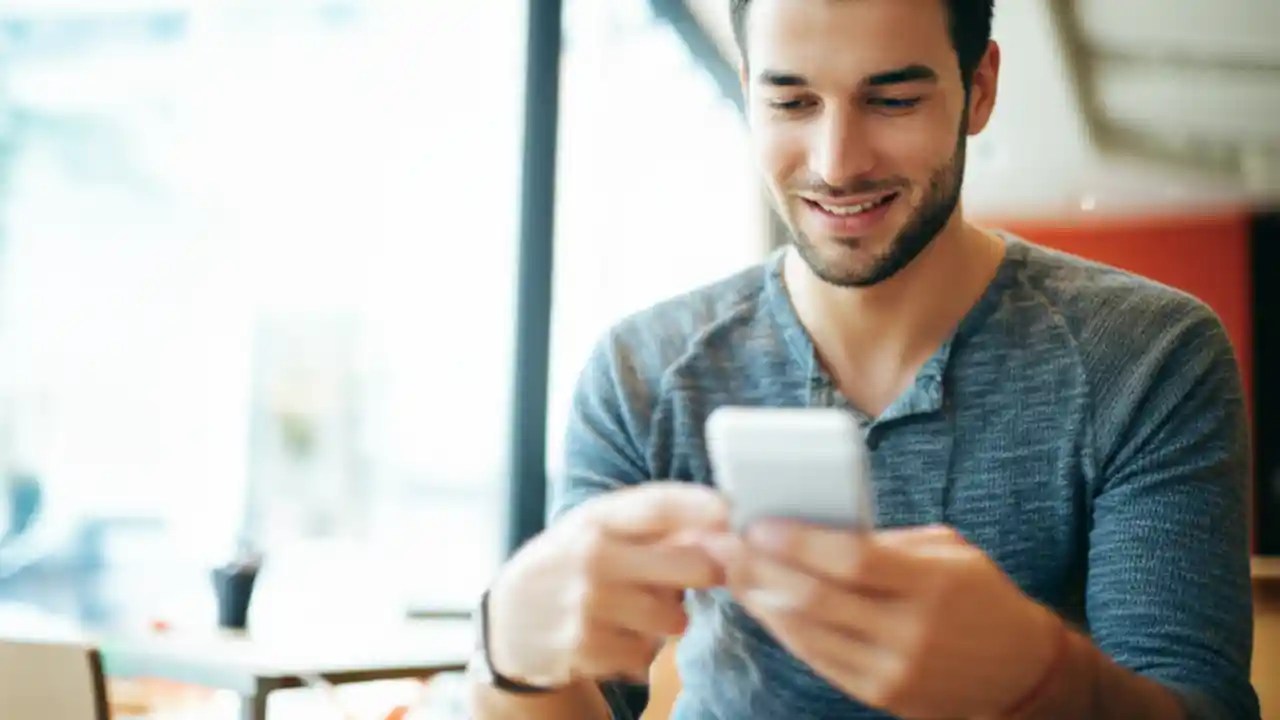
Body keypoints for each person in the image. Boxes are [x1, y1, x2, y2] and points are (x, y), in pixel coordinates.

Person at [466, 0, 1260, 718]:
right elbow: (580, 690)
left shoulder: (1147, 355)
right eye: (791, 101)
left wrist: (1048, 683)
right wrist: (511, 655)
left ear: (978, 89)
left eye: (893, 98)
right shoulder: (644, 369)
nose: (837, 161)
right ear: (748, 92)